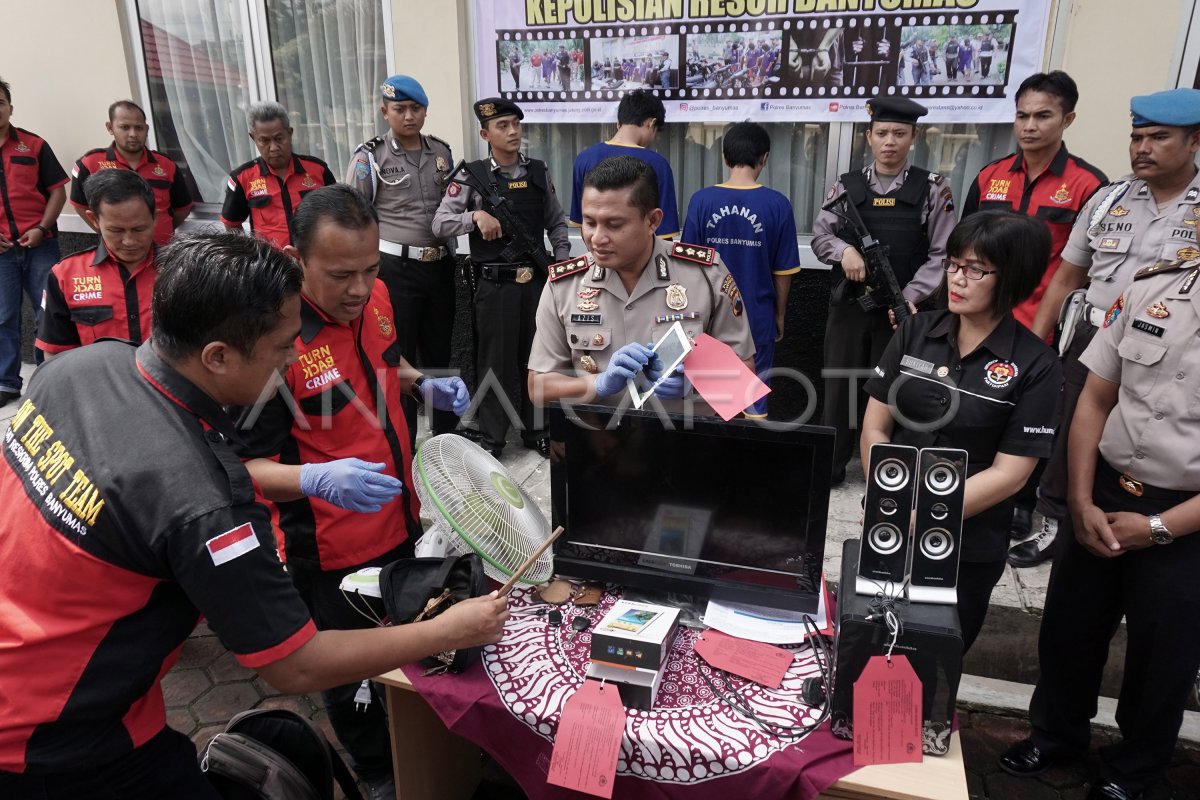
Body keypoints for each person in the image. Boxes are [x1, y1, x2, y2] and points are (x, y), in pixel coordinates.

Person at [0, 230, 506, 798]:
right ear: (217, 356)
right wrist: (443, 630)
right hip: (52, 736)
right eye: (282, 347)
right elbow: (296, 665)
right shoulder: (204, 502)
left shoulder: (87, 367)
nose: (295, 357)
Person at [234, 185, 472, 799]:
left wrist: (423, 385)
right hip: (329, 548)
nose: (361, 289)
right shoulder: (274, 342)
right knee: (351, 671)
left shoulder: (380, 297)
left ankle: (425, 744)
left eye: (370, 269)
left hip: (400, 516)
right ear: (294, 260)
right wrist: (314, 478)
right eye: (342, 275)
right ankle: (377, 772)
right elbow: (239, 466)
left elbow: (388, 362)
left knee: (410, 637)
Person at [997, 258, 1200, 800]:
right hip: (1105, 491)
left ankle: (1135, 767)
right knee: (1070, 626)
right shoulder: (1152, 290)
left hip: (1187, 517)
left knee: (1164, 654)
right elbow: (1094, 397)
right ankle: (1056, 735)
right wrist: (1081, 497)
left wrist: (1157, 528)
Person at [861, 211, 1062, 650]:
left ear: (1012, 277)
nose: (957, 278)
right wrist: (888, 497)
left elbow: (1013, 473)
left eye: (975, 269)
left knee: (935, 659)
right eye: (953, 264)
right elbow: (876, 425)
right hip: (890, 524)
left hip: (967, 543)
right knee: (871, 647)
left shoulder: (1036, 366)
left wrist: (924, 512)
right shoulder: (915, 332)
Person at [1020, 89, 1200, 572]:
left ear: (1194, 142)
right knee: (1067, 434)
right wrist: (1036, 346)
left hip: (1176, 351)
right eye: (1136, 137)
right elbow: (1066, 277)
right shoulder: (1108, 200)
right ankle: (1059, 520)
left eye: (1159, 137)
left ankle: (1157, 523)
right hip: (1094, 338)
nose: (1142, 147)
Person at [961, 71, 1107, 563]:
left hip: (1044, 331)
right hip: (982, 323)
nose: (1029, 126)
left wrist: (1042, 335)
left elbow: (1084, 271)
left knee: (1033, 422)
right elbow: (964, 252)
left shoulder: (1089, 186)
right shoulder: (990, 175)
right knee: (981, 413)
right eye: (1022, 114)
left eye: (1042, 115)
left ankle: (1022, 505)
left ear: (1067, 118)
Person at [528, 155, 754, 411]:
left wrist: (694, 384)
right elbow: (538, 387)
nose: (597, 238)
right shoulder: (565, 285)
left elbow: (744, 377)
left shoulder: (704, 275)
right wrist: (598, 384)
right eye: (590, 222)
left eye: (614, 224)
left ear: (653, 221)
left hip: (686, 443)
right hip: (600, 445)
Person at [812, 96, 957, 485]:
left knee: (894, 390)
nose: (889, 141)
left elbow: (943, 254)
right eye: (881, 133)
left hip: (903, 311)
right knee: (840, 384)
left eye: (899, 133)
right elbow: (821, 235)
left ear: (914, 137)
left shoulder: (932, 189)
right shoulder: (846, 186)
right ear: (868, 136)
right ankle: (833, 465)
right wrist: (845, 252)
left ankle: (887, 468)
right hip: (850, 307)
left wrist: (909, 295)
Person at [433, 98, 569, 458]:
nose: (512, 132)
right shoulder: (471, 176)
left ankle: (537, 430)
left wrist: (561, 265)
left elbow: (556, 223)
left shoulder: (538, 171)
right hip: (494, 286)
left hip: (538, 283)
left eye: (515, 124)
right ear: (485, 133)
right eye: (502, 126)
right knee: (493, 363)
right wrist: (474, 219)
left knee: (538, 360)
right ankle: (492, 438)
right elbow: (439, 223)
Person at [346, 75, 458, 444]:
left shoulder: (441, 153)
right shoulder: (370, 157)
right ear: (385, 111)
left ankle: (447, 438)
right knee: (400, 355)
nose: (409, 116)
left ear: (425, 111)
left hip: (438, 265)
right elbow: (355, 218)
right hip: (396, 270)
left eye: (416, 108)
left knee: (440, 351)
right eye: (400, 109)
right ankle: (404, 439)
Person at [681, 121, 800, 417]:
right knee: (753, 395)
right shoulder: (778, 205)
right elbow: (783, 271)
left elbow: (687, 264)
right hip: (757, 315)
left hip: (709, 315)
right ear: (765, 158)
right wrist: (779, 315)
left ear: (724, 157)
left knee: (712, 393)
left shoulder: (701, 201)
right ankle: (749, 457)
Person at [37, 170, 158, 356]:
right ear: (94, 220)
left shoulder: (183, 270)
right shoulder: (66, 275)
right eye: (116, 230)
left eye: (139, 229)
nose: (129, 241)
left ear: (154, 218)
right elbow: (55, 355)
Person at [0, 76, 68, 408]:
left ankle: (48, 378)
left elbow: (58, 190)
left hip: (40, 244)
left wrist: (42, 227)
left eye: (0, 102)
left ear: (10, 108)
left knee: (49, 312)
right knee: (2, 316)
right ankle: (6, 382)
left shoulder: (34, 145)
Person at [70, 100, 192, 247]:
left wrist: (160, 228)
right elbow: (80, 205)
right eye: (125, 127)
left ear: (146, 129)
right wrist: (108, 230)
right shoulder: (90, 164)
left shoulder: (166, 165)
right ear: (110, 127)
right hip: (117, 252)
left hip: (162, 252)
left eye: (139, 128)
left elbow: (182, 208)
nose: (133, 134)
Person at [221, 101, 336, 248]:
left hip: (315, 261)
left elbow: (337, 214)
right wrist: (251, 255)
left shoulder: (318, 170)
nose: (274, 147)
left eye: (279, 138)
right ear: (253, 138)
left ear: (290, 133)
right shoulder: (242, 178)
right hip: (271, 267)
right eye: (264, 141)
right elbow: (231, 224)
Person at [570, 90, 680, 238]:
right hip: (642, 258)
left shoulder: (584, 159)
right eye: (656, 132)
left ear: (618, 123)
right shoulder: (658, 164)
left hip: (597, 257)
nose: (653, 139)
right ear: (651, 123)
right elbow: (664, 233)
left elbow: (583, 223)